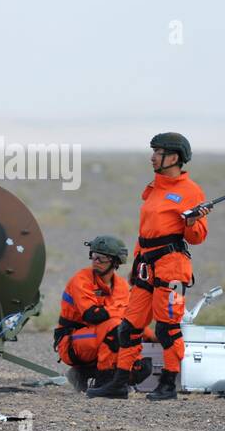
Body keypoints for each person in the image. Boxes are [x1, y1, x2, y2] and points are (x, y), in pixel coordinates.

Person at [89, 132, 211, 401]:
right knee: (129, 326)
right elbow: (146, 231)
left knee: (166, 328)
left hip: (171, 267)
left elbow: (198, 237)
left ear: (174, 157)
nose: (152, 156)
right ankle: (120, 382)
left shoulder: (191, 191)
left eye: (158, 152)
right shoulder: (155, 188)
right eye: (153, 151)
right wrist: (136, 262)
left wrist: (191, 223)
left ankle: (167, 385)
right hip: (146, 265)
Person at [54, 236, 130, 397]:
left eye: (101, 258)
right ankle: (104, 382)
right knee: (116, 327)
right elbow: (92, 316)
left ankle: (83, 373)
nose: (95, 261)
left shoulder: (122, 285)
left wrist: (152, 337)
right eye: (93, 256)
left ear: (116, 262)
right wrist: (118, 311)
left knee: (141, 367)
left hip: (99, 336)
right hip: (71, 340)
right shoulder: (81, 280)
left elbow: (129, 318)